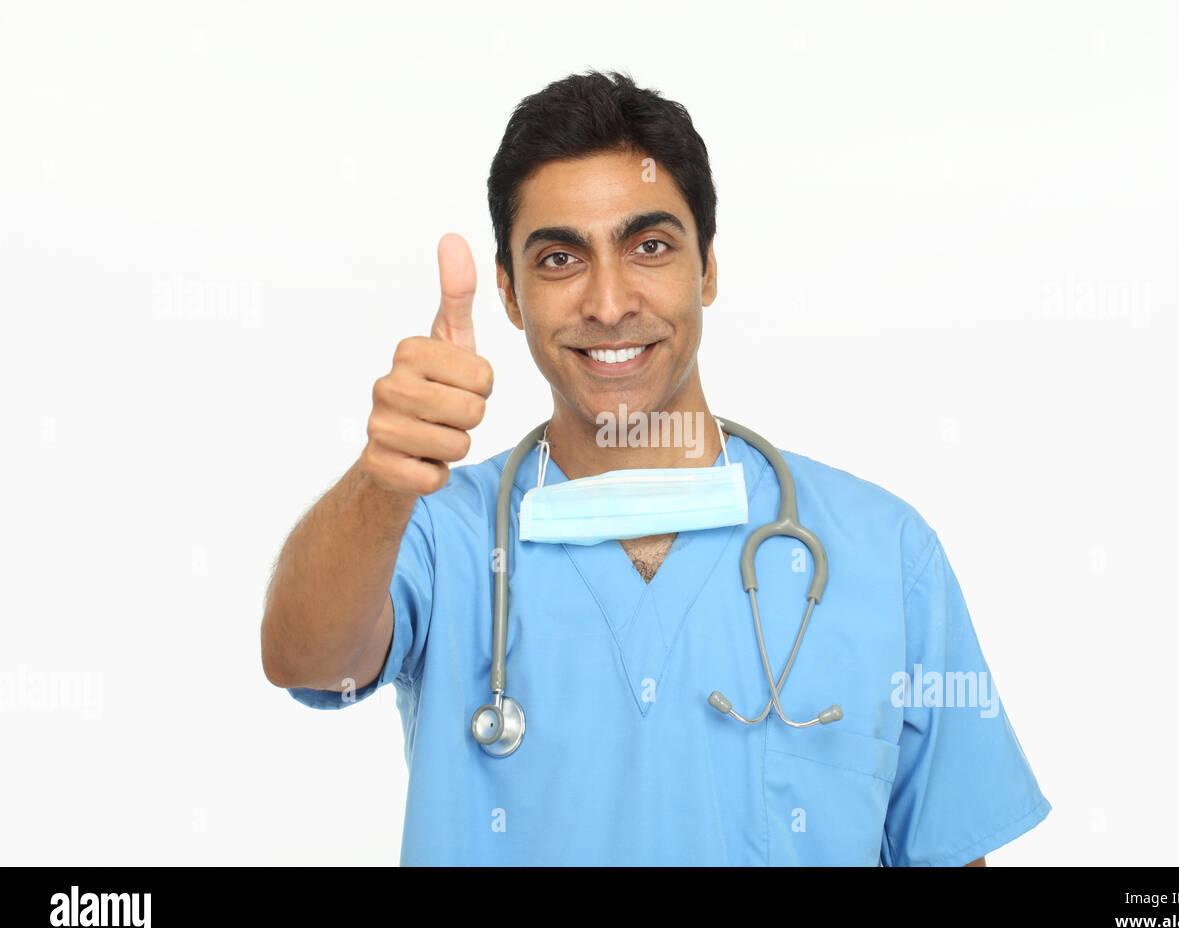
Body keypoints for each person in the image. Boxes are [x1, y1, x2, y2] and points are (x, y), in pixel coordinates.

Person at [260, 70, 1051, 866]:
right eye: (561, 258)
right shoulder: (442, 532)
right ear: (508, 292)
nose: (608, 303)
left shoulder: (883, 553)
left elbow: (948, 851)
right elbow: (306, 659)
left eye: (649, 247)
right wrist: (383, 478)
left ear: (707, 266)